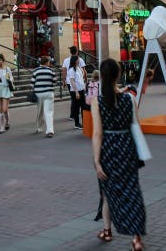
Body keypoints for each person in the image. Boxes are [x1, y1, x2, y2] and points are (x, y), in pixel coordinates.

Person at [90, 58, 146, 250]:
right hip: (127, 148)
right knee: (132, 190)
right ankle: (136, 237)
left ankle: (107, 231)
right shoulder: (129, 98)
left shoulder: (97, 102)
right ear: (118, 75)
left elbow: (97, 133)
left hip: (108, 149)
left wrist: (96, 161)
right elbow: (136, 125)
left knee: (107, 191)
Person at [31, 56, 56, 137]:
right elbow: (54, 81)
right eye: (49, 62)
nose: (49, 63)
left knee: (40, 111)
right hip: (49, 93)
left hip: (39, 94)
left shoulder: (36, 71)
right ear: (46, 62)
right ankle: (49, 131)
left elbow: (32, 83)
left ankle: (39, 127)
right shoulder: (51, 70)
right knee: (48, 112)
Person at [62, 46, 86, 120]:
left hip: (69, 82)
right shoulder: (80, 59)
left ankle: (73, 115)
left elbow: (64, 71)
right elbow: (84, 70)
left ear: (70, 52)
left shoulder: (66, 60)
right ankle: (75, 115)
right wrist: (85, 79)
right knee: (78, 100)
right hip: (77, 82)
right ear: (77, 52)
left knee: (74, 99)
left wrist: (64, 81)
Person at [67, 55, 87, 130]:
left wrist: (84, 86)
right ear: (75, 61)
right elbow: (72, 81)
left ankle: (84, 122)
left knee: (83, 106)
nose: (79, 61)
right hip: (75, 91)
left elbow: (81, 79)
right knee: (76, 107)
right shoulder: (71, 70)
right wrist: (76, 92)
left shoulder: (79, 68)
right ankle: (77, 123)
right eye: (78, 60)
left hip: (81, 89)